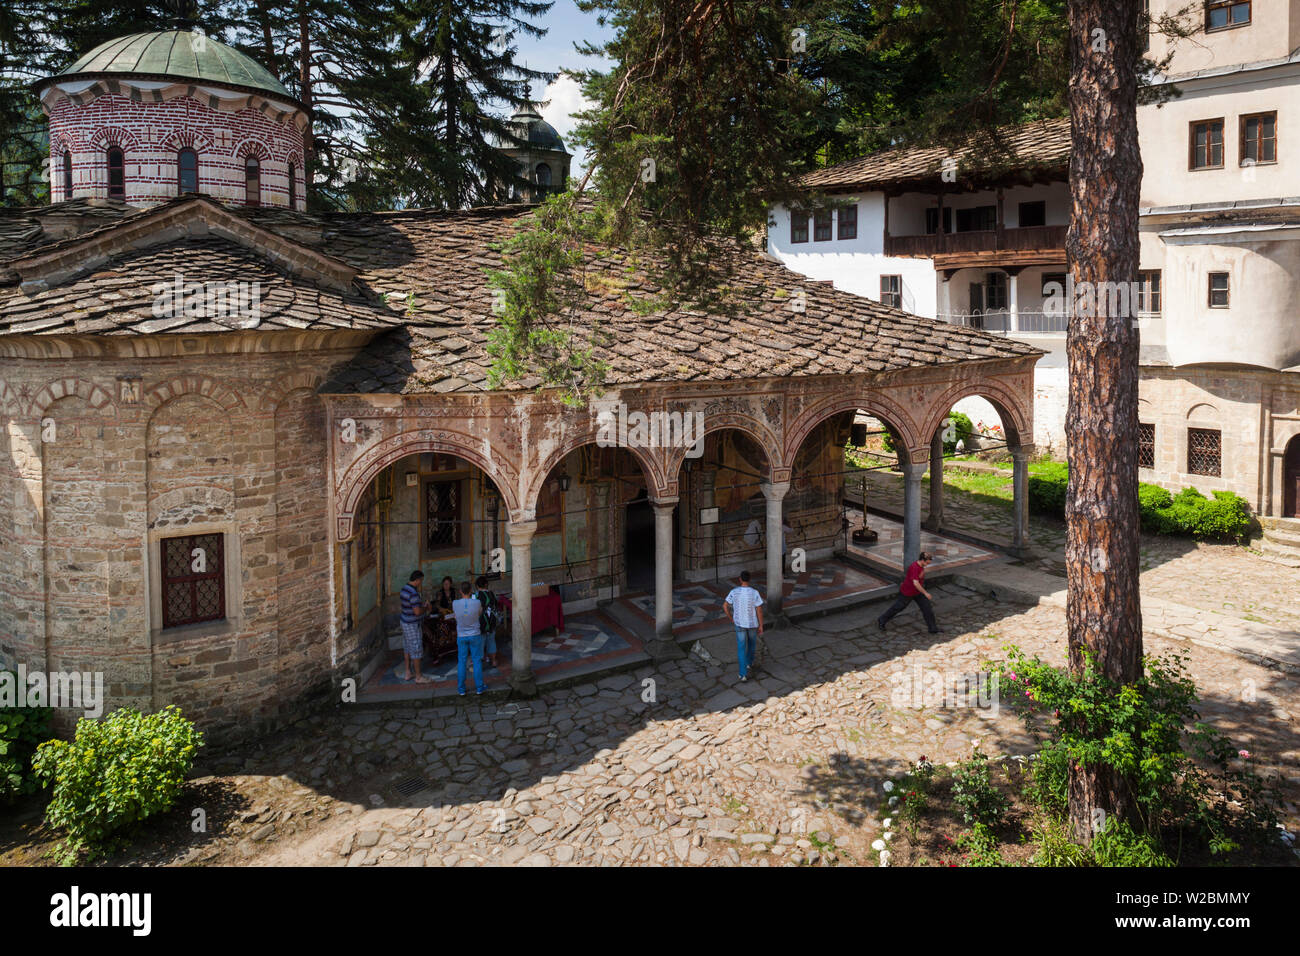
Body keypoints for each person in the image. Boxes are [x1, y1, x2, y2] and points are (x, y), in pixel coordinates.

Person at [877, 551, 941, 634]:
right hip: (908, 592)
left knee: (927, 609)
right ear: (922, 560)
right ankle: (882, 619)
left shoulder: (921, 566)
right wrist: (925, 593)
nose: (927, 565)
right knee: (898, 607)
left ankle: (933, 628)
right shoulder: (915, 567)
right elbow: (916, 583)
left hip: (918, 592)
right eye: (927, 563)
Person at [723, 570, 765, 682]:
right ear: (749, 579)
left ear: (740, 579)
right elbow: (759, 610)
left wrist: (731, 618)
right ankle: (749, 663)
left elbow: (725, 606)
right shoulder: (754, 592)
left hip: (739, 623)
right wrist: (761, 625)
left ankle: (743, 674)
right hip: (752, 624)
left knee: (741, 648)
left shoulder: (734, 592)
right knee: (752, 644)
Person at [452, 580, 487, 696]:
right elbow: (479, 614)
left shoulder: (455, 603)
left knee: (461, 661)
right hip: (475, 634)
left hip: (461, 635)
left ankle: (461, 689)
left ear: (460, 591)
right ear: (471, 591)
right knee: (476, 660)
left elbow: (456, 617)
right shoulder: (477, 602)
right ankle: (479, 687)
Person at [399, 570, 432, 683]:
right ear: (417, 580)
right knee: (416, 649)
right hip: (412, 625)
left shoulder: (404, 589)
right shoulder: (413, 593)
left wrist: (420, 605)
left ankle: (408, 672)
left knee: (407, 647)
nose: (421, 583)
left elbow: (409, 606)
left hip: (404, 622)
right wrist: (426, 608)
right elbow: (417, 612)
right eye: (421, 581)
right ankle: (418, 676)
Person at [474, 575, 502, 668]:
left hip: (481, 623)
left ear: (477, 586)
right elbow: (496, 605)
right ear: (486, 585)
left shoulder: (476, 595)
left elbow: (475, 610)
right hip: (492, 622)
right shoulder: (491, 594)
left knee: (480, 643)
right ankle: (494, 661)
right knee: (491, 641)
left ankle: (480, 665)